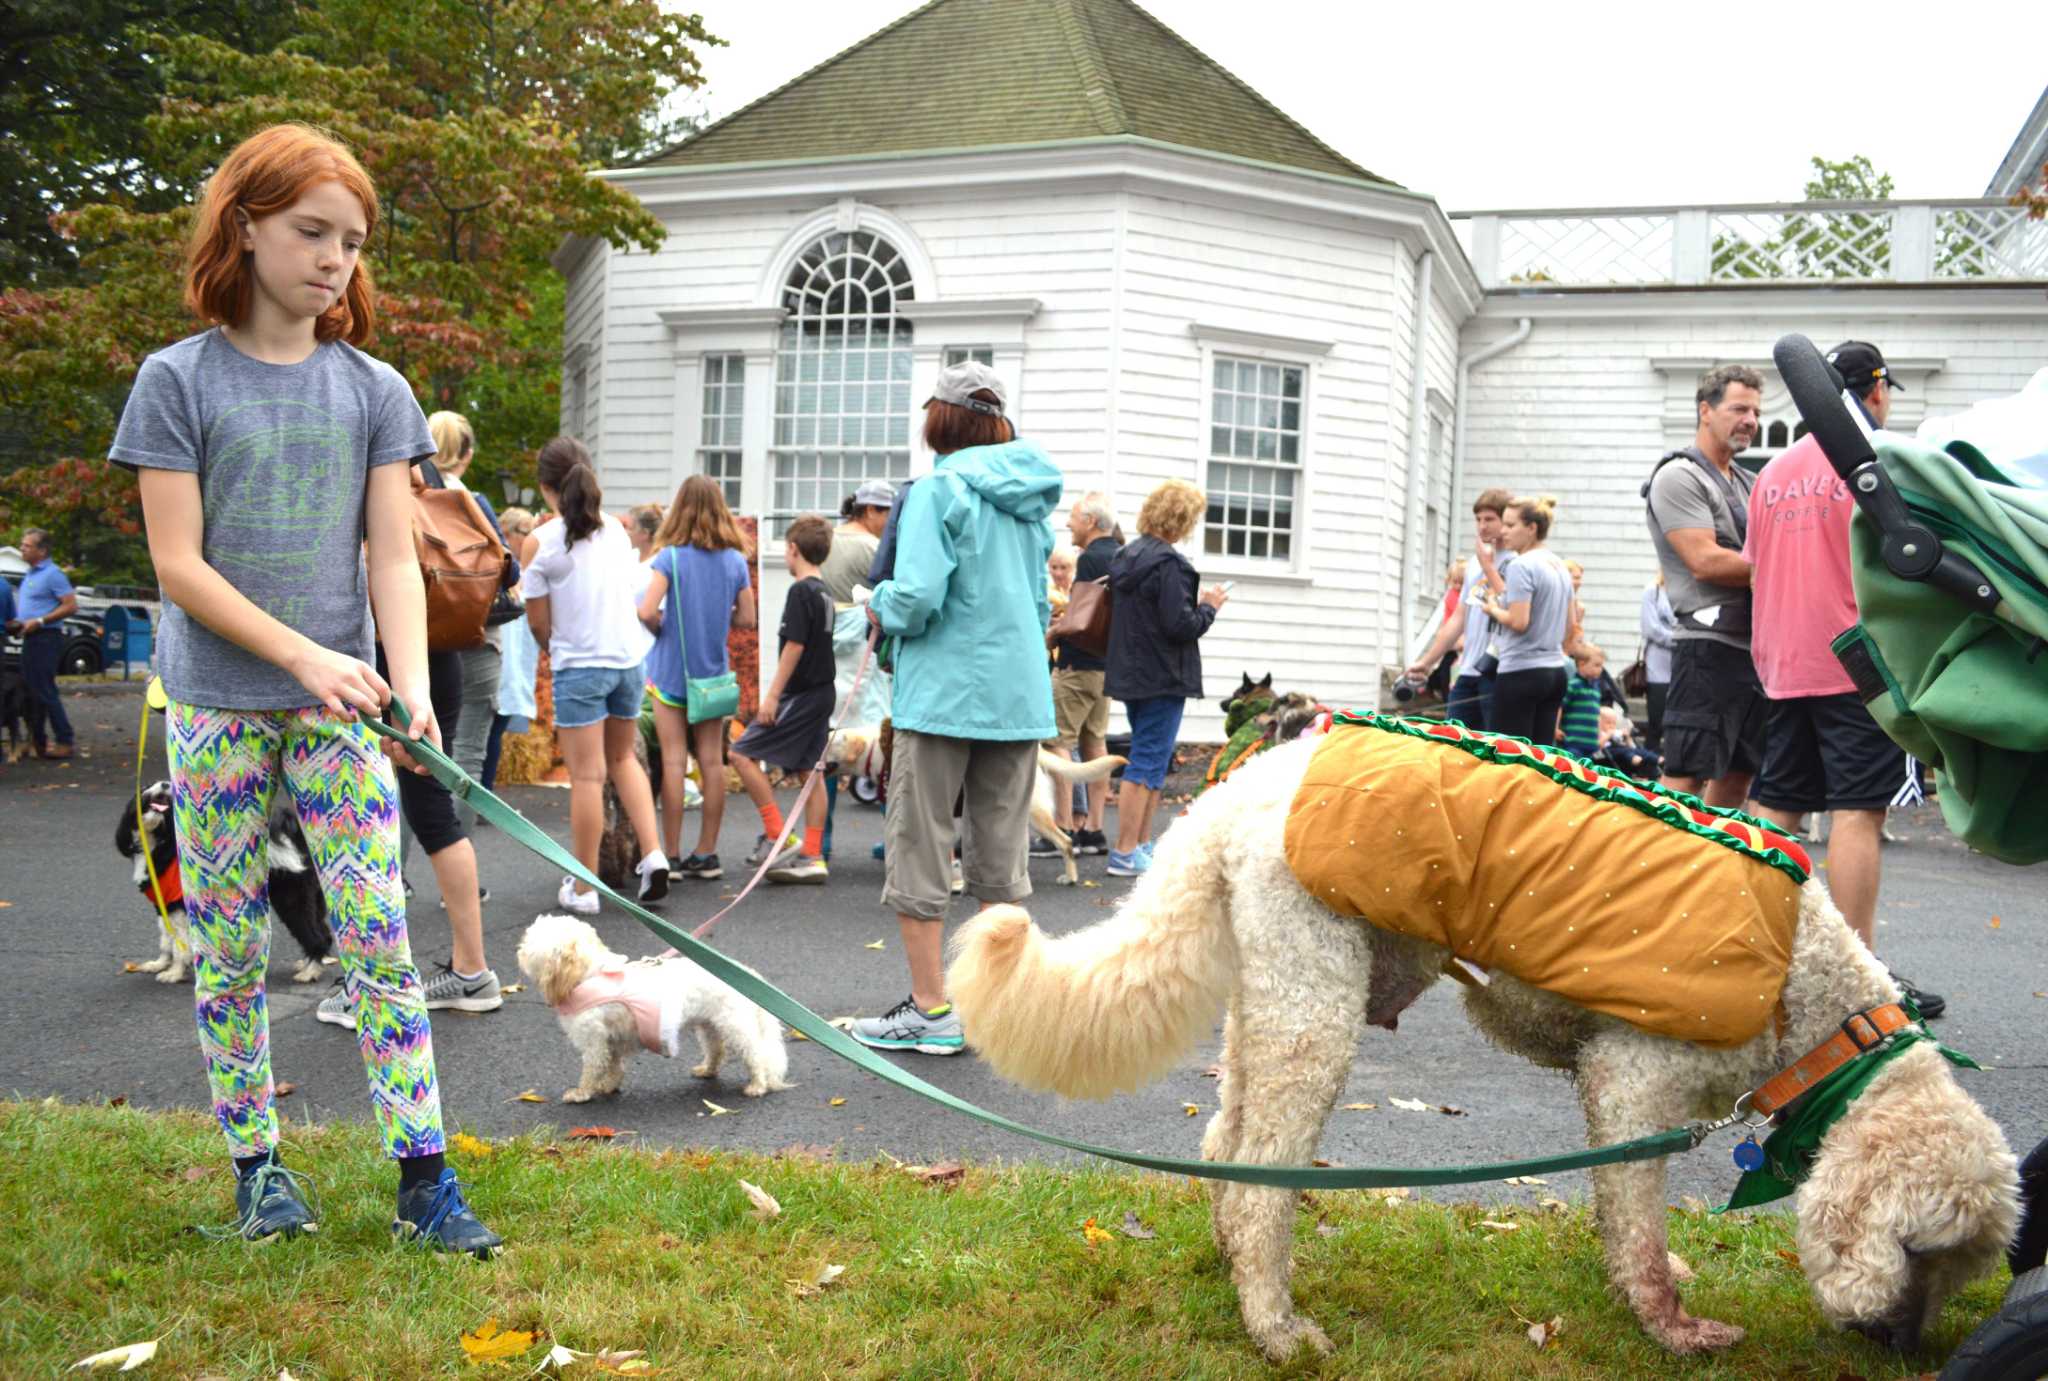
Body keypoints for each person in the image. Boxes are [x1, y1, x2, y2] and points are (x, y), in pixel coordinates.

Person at [105, 123, 499, 1252]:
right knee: (230, 947)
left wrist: (411, 689)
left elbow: (393, 558)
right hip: (216, 707)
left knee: (378, 936)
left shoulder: (374, 388)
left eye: (353, 241)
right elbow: (179, 566)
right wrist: (303, 656)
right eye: (311, 231)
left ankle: (425, 1181)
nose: (335, 259)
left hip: (343, 711)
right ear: (244, 226)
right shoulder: (175, 380)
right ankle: (258, 1172)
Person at [850, 361, 1061, 1056]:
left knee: (920, 846)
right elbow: (1039, 605)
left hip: (943, 694)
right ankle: (997, 1009)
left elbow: (915, 598)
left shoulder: (938, 489)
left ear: (941, 419)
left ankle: (932, 1008)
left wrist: (876, 604)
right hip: (1017, 693)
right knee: (1001, 859)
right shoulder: (1031, 500)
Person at [1742, 340, 1944, 1017]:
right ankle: (1858, 978)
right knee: (1857, 810)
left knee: (1777, 807)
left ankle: (1757, 956)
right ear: (1875, 390)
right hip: (1856, 658)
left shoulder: (1772, 472)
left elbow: (1756, 571)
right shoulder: (1875, 458)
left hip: (1782, 660)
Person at [520, 435, 669, 913]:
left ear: (546, 487)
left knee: (586, 776)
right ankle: (653, 854)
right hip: (628, 661)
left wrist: (553, 649)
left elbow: (538, 623)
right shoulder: (618, 531)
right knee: (624, 760)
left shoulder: (541, 542)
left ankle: (584, 889)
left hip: (580, 666)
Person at [1646, 364, 1765, 809]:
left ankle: (1711, 858)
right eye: (1739, 409)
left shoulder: (1751, 483)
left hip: (1754, 649)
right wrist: (1783, 570)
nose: (1750, 420)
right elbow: (1704, 561)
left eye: (1755, 412)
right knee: (1684, 778)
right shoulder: (1679, 476)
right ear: (1705, 411)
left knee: (1738, 776)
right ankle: (1657, 858)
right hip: (1706, 648)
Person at [1104, 479, 1228, 876]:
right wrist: (1209, 607)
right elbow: (1180, 625)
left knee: (1152, 759)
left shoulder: (1126, 556)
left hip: (1131, 671)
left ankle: (1140, 846)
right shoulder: (1170, 564)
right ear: (1182, 519)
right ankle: (1126, 851)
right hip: (1164, 673)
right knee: (1148, 761)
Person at [637, 473, 755, 880]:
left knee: (673, 762)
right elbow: (748, 617)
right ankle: (706, 853)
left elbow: (647, 611)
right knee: (711, 762)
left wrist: (663, 627)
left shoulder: (669, 558)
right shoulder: (735, 561)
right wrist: (718, 616)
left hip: (670, 672)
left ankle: (669, 855)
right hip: (712, 677)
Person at [728, 515, 838, 886]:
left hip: (802, 694)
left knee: (741, 753)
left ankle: (779, 835)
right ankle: (813, 854)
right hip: (823, 692)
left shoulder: (800, 591)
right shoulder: (825, 592)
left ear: (792, 549)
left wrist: (772, 696)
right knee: (810, 772)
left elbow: (795, 645)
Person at [424, 411, 509, 836]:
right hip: (475, 639)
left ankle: (398, 868)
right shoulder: (472, 503)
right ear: (467, 454)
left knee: (406, 763)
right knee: (468, 757)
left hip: (414, 642)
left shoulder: (405, 497)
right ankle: (457, 862)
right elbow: (507, 569)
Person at [1047, 491, 1122, 854]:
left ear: (1091, 522)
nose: (1068, 523)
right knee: (1095, 744)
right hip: (1106, 667)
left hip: (1076, 666)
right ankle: (1093, 829)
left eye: (1074, 518)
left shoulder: (1091, 558)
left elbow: (1079, 618)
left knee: (1057, 742)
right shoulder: (1121, 554)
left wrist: (1052, 633)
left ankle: (1063, 828)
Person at [1406, 488, 1515, 731]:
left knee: (1495, 745)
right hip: (1468, 670)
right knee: (1453, 740)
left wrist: (1489, 567)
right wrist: (1428, 662)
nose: (1482, 526)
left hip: (1498, 672)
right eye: (1478, 519)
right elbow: (1458, 617)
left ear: (1507, 520)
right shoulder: (1475, 563)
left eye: (1489, 519)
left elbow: (1514, 610)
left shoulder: (1516, 561)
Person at [1476, 497, 1572, 745]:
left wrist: (1493, 609)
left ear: (1531, 528)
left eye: (1510, 525)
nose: (1503, 531)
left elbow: (1519, 622)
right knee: (1540, 758)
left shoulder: (1521, 565)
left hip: (1521, 672)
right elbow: (1569, 625)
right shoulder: (1559, 564)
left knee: (1510, 757)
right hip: (1554, 671)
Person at [481, 506, 539, 795]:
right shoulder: (497, 566)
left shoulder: (530, 570)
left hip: (517, 658)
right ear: (507, 533)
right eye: (525, 532)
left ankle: (486, 790)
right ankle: (480, 791)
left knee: (497, 727)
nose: (531, 539)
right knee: (486, 728)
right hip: (498, 653)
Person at [13, 527, 78, 759]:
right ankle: (37, 740)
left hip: (46, 638)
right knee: (31, 690)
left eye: (27, 545)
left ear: (42, 551)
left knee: (44, 690)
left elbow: (71, 605)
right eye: (22, 544)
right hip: (31, 638)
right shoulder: (31, 574)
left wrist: (40, 621)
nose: (21, 548)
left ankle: (65, 740)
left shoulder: (53, 574)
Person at [820, 482, 892, 602]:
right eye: (889, 515)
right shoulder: (874, 548)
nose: (892, 523)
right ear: (870, 510)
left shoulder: (824, 539)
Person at [1638, 574, 1676, 749]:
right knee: (1657, 720)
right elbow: (1651, 629)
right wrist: (1680, 639)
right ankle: (1650, 760)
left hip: (1682, 666)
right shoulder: (1653, 591)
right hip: (1658, 667)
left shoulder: (1688, 589)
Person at [1558, 642, 1604, 759]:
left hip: (1591, 743)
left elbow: (1597, 714)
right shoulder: (1573, 684)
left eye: (1601, 666)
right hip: (1573, 742)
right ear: (1581, 664)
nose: (1600, 669)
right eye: (1597, 665)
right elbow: (1559, 707)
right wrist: (1556, 728)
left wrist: (1599, 735)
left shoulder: (1596, 688)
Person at [1561, 558, 1588, 657]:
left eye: (1580, 578)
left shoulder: (1579, 608)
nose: (1579, 583)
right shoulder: (1551, 604)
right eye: (1575, 578)